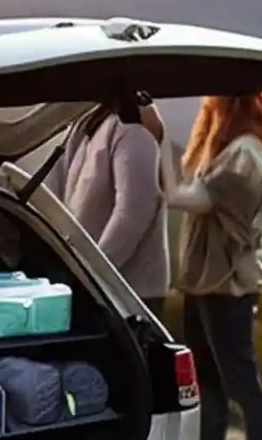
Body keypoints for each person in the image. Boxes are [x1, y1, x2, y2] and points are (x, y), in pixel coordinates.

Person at [163, 92, 262, 440]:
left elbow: (189, 198)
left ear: (230, 105)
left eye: (214, 100)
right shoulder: (231, 150)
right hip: (206, 283)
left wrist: (156, 137)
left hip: (229, 285)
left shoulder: (245, 155)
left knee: (243, 387)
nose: (206, 107)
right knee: (209, 382)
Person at [45, 101, 169, 315]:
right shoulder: (85, 125)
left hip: (130, 290)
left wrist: (94, 271)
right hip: (92, 283)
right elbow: (52, 189)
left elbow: (133, 212)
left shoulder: (131, 128)